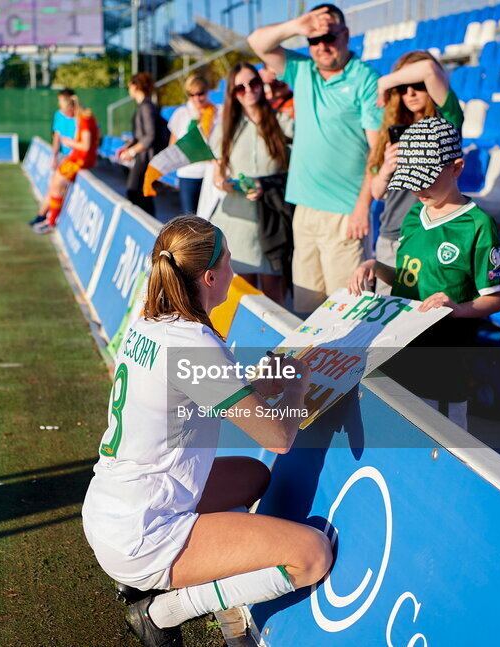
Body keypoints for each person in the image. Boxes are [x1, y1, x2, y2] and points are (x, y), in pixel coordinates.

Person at [82, 216, 331, 647]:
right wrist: (297, 385)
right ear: (211, 276)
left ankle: (146, 581)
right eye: (230, 261)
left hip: (111, 508)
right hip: (142, 532)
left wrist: (260, 382)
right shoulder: (194, 341)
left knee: (254, 478)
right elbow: (279, 438)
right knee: (312, 556)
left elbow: (193, 386)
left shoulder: (149, 321)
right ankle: (161, 613)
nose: (234, 271)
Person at [348, 117, 500, 429]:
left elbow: (497, 298)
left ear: (457, 169)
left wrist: (458, 309)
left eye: (427, 178)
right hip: (403, 348)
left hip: (445, 359)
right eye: (411, 179)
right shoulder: (413, 215)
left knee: (443, 440)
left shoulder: (477, 225)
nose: (417, 188)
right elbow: (410, 277)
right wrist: (376, 268)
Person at [248, 4, 383, 315]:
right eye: (313, 40)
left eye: (329, 37)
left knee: (347, 313)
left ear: (346, 35)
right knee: (307, 310)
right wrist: (297, 25)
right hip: (305, 209)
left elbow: (376, 151)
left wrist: (363, 207)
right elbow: (257, 42)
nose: (322, 46)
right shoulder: (303, 69)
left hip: (345, 215)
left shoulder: (366, 79)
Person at [367, 51, 464, 292]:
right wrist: (387, 169)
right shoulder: (392, 131)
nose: (409, 93)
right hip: (392, 237)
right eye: (403, 87)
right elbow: (377, 192)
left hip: (432, 236)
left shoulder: (446, 122)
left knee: (428, 321)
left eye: (417, 86)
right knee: (389, 321)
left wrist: (386, 82)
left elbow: (429, 69)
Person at [211, 62, 294, 305]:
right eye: (240, 87)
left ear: (262, 84)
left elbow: (295, 169)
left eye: (254, 83)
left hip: (273, 219)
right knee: (243, 300)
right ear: (232, 93)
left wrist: (266, 185)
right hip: (237, 220)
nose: (249, 90)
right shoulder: (226, 127)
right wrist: (224, 183)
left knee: (274, 300)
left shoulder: (283, 123)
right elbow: (218, 173)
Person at [30, 94, 100, 233]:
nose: (65, 115)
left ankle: (51, 221)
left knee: (57, 185)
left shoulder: (84, 119)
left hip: (81, 160)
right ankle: (48, 217)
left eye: (66, 112)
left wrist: (69, 142)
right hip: (76, 157)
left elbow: (86, 146)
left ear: (72, 108)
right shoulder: (83, 118)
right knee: (55, 182)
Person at [167, 74, 220, 216]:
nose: (197, 98)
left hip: (210, 174)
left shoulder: (217, 113)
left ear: (207, 91)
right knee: (190, 219)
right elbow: (173, 146)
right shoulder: (182, 114)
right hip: (188, 174)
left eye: (200, 93)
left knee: (208, 219)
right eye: (192, 94)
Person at [117, 72, 167, 217]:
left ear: (136, 86)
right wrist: (126, 148)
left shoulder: (146, 107)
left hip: (146, 157)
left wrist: (131, 152)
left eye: (130, 86)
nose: (129, 89)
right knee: (141, 193)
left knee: (136, 191)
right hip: (142, 156)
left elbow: (149, 136)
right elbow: (140, 135)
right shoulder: (144, 106)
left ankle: (148, 225)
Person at [30, 89, 80, 227]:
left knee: (57, 186)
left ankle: (48, 218)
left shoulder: (81, 117)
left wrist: (71, 146)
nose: (60, 104)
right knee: (54, 185)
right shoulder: (59, 115)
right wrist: (54, 156)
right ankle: (43, 215)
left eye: (62, 101)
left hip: (75, 159)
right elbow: (57, 137)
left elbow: (85, 144)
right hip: (65, 157)